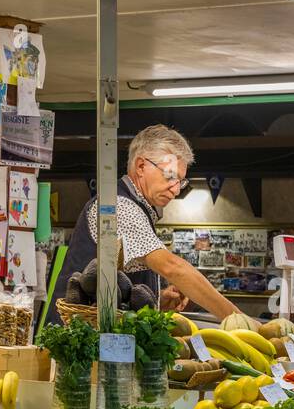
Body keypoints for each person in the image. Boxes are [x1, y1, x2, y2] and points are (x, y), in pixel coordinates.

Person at [46, 124, 240, 325]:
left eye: (180, 182)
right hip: (78, 343)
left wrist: (157, 298)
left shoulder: (137, 208)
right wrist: (239, 320)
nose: (176, 190)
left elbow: (120, 288)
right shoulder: (118, 207)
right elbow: (173, 268)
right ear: (141, 167)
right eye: (171, 176)